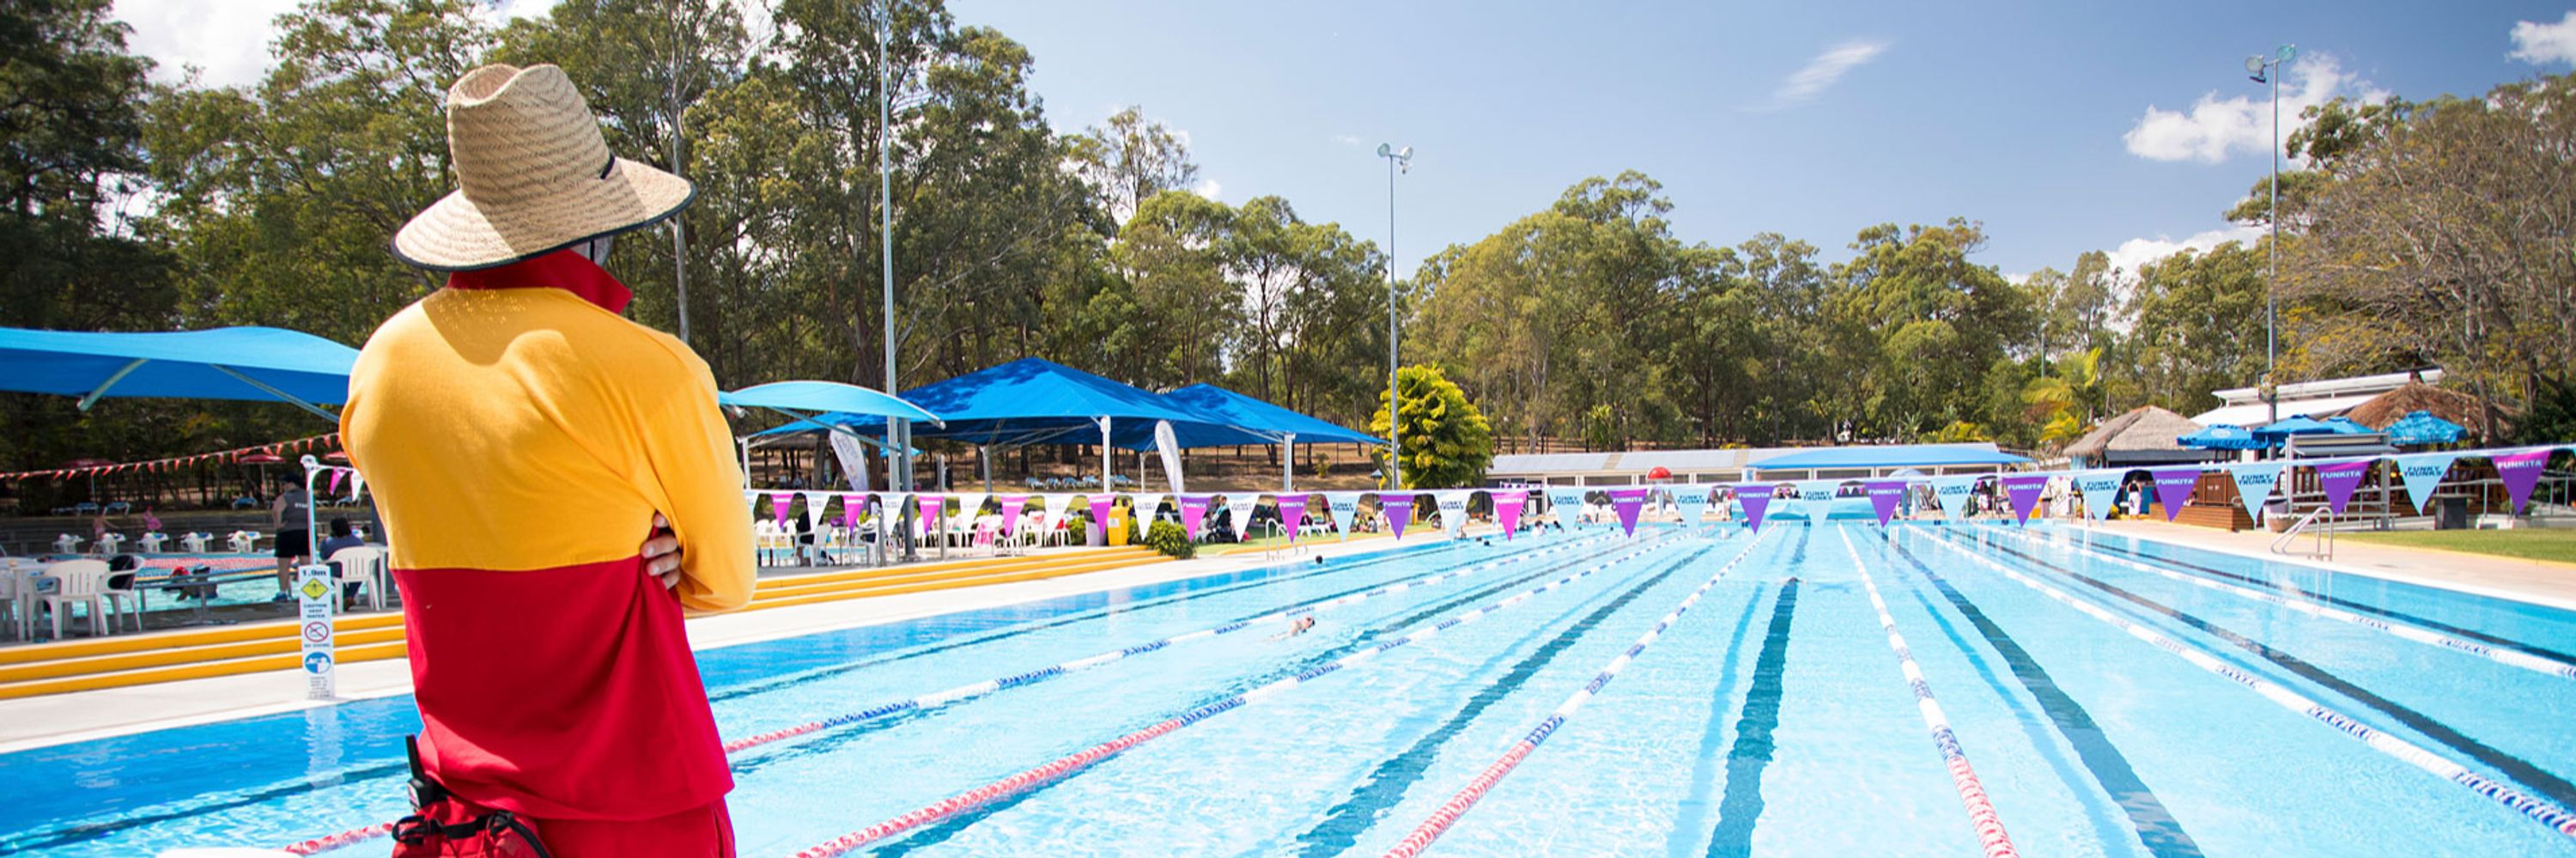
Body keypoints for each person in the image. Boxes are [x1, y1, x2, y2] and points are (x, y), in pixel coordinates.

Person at [343, 64, 753, 857]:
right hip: (632, 805)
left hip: (465, 815)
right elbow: (727, 580)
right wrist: (658, 545)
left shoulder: (381, 364)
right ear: (598, 224)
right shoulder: (648, 368)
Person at [270, 480, 313, 601]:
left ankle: (282, 592)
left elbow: (276, 510)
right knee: (306, 563)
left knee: (284, 565)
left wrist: (278, 525)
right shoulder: (308, 496)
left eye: (285, 484)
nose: (284, 487)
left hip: (288, 532)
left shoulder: (286, 497)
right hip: (306, 532)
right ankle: (309, 592)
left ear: (290, 483)